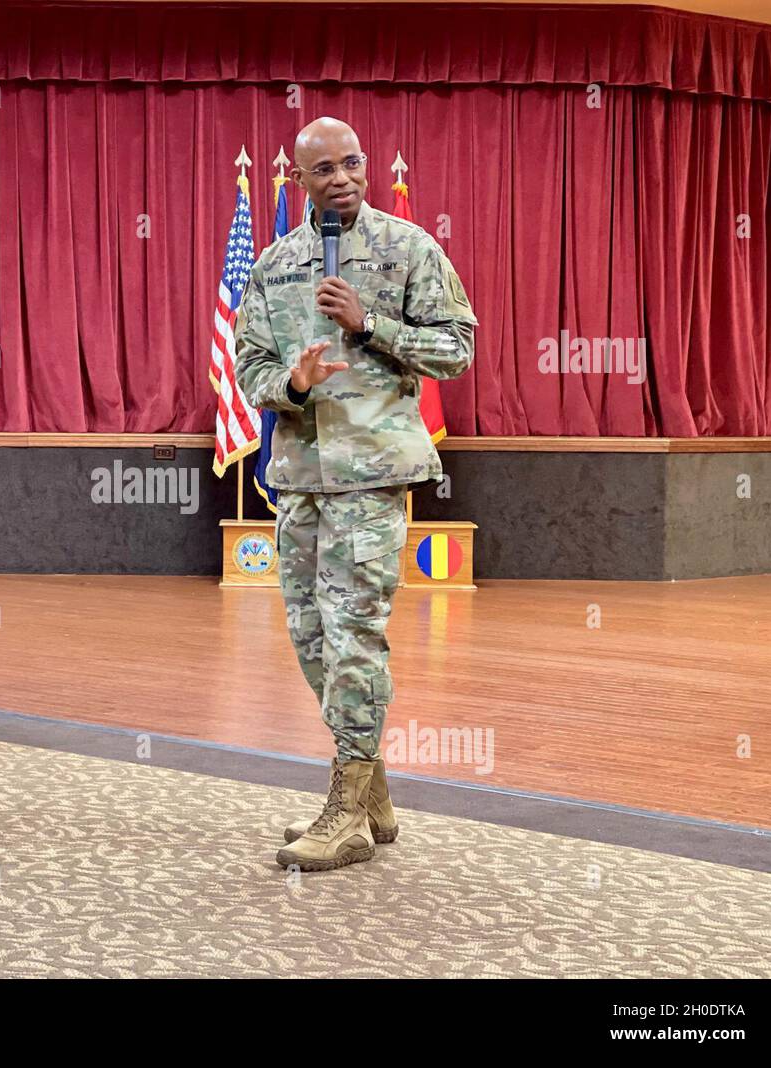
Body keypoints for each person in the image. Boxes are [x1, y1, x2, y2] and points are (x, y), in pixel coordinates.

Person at [234, 117, 476, 872]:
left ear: (365, 167)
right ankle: (373, 796)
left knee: (356, 638)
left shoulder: (409, 249)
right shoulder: (275, 264)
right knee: (313, 643)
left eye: (351, 163)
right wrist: (292, 384)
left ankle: (344, 811)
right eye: (323, 170)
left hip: (372, 479)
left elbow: (458, 348)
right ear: (300, 181)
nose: (340, 178)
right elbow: (247, 366)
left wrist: (373, 324)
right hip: (301, 479)